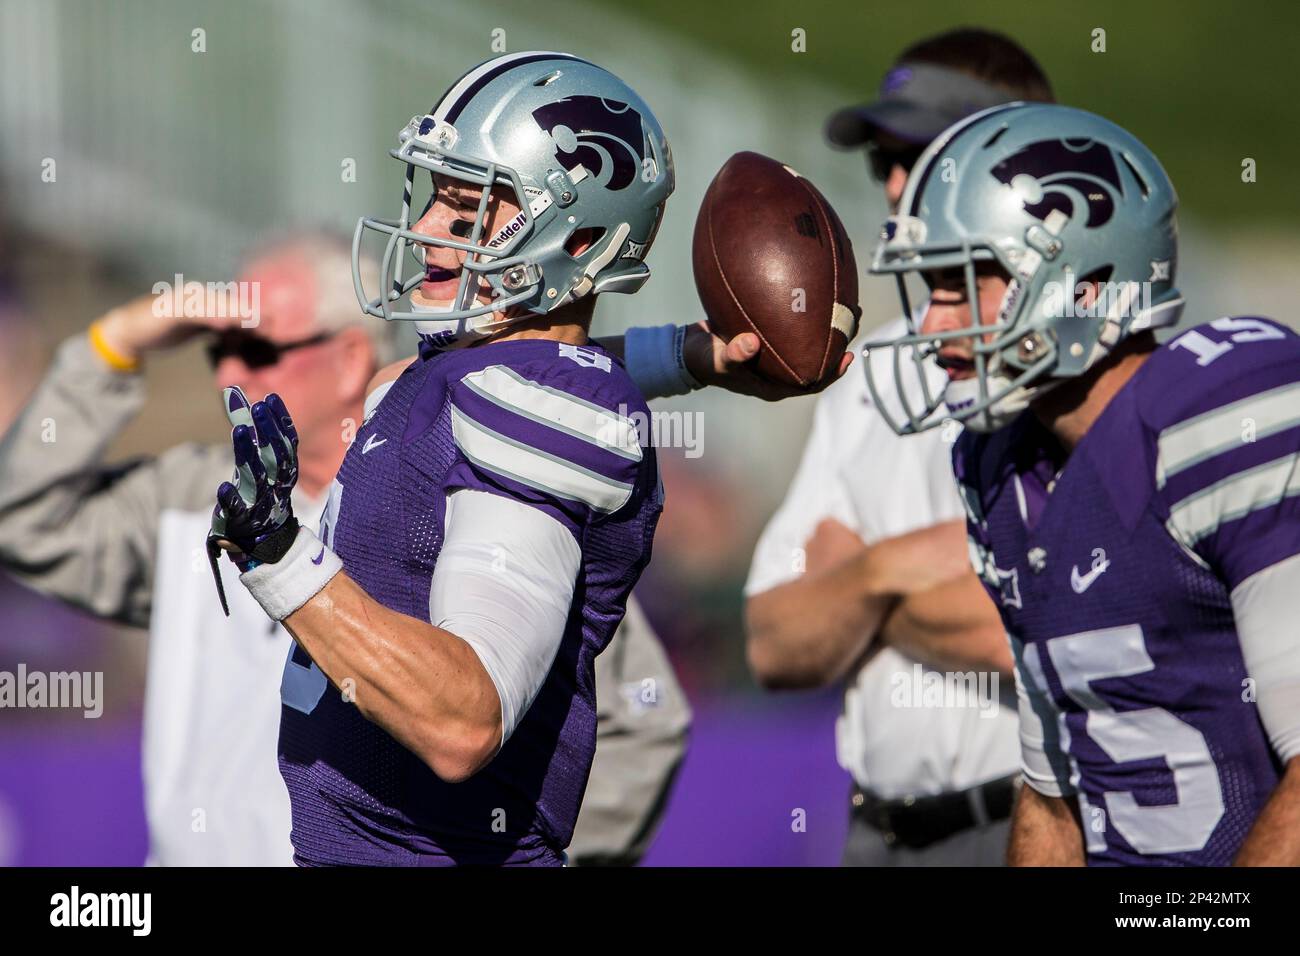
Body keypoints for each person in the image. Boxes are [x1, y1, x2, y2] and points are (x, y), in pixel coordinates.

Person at [0, 231, 690, 866]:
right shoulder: (192, 496)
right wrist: (113, 345)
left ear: (350, 358)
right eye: (217, 351)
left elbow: (645, 724)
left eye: (259, 350)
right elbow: (21, 518)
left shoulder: (494, 501)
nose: (225, 375)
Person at [208, 52, 692, 866]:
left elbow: (464, 719)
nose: (431, 226)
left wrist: (280, 559)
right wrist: (691, 354)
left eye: (467, 205)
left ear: (573, 236)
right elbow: (546, 359)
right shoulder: (474, 374)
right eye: (437, 193)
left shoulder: (543, 412)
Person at [864, 100, 1300, 865]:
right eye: (930, 288)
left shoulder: (1225, 417)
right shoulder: (998, 471)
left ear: (1087, 287)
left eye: (962, 284)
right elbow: (1053, 792)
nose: (933, 327)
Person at [743, 29, 1055, 866]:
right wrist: (904, 568)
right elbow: (773, 640)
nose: (890, 183)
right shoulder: (865, 368)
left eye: (918, 152)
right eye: (885, 156)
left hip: (1032, 826)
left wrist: (857, 582)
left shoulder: (1074, 354)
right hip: (876, 836)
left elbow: (1035, 627)